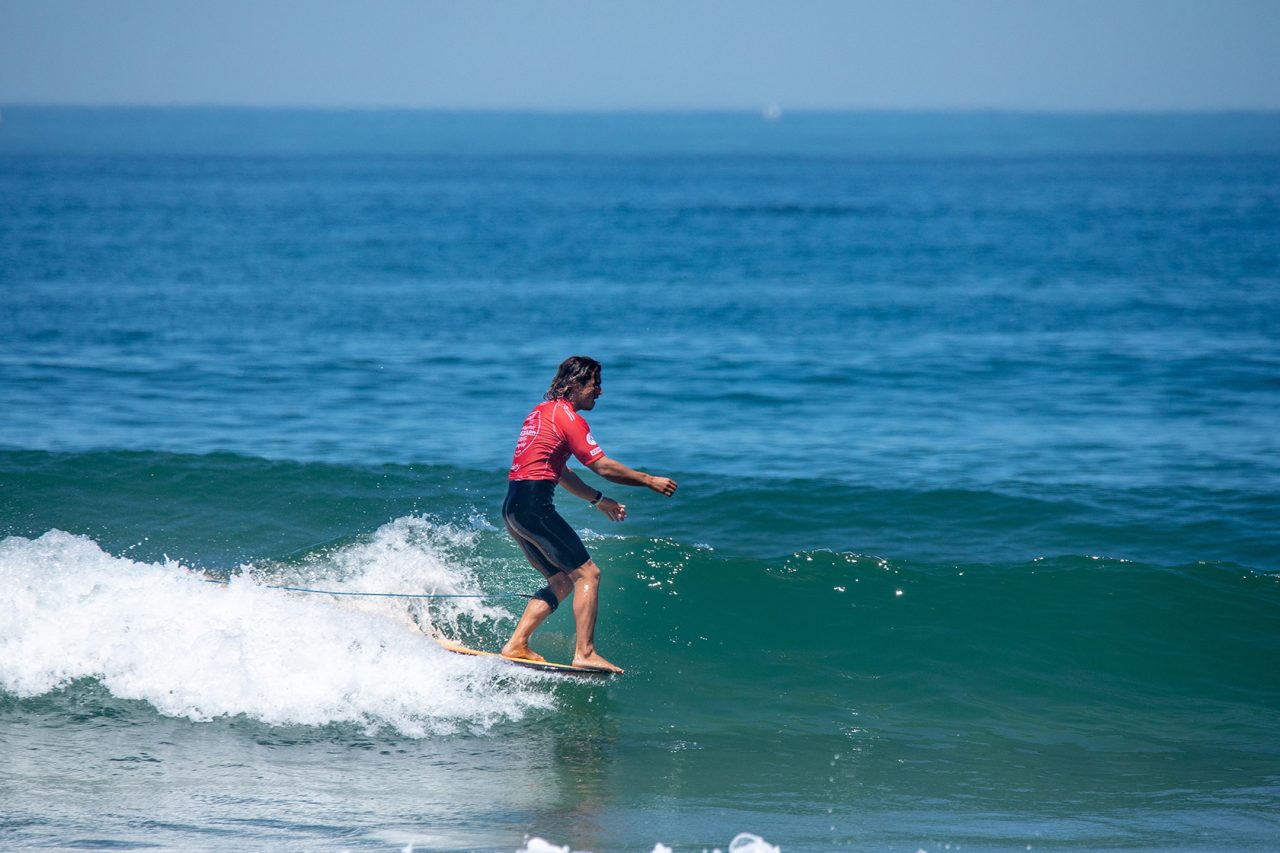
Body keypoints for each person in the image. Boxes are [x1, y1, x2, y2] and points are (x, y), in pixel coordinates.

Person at [500, 356, 677, 673]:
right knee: (589, 574)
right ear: (574, 385)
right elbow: (603, 466)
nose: (600, 392)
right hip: (534, 505)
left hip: (514, 506)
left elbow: (561, 472)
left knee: (561, 581)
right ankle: (585, 652)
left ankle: (517, 644)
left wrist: (598, 499)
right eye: (595, 384)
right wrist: (648, 480)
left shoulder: (541, 414)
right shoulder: (568, 418)